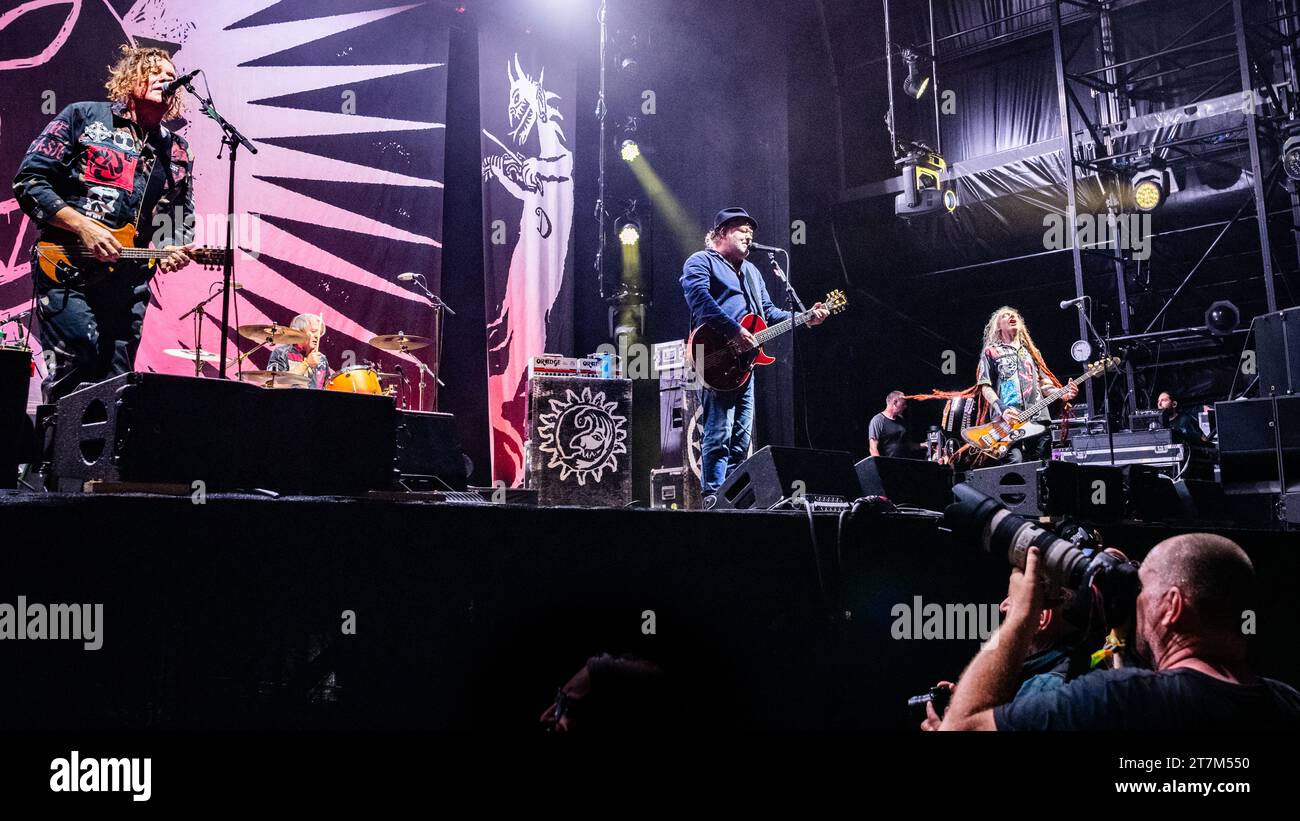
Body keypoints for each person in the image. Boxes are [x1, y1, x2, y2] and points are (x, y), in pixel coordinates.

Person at [939, 533, 1300, 731]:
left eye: (1141, 590)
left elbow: (961, 728)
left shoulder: (1118, 698)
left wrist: (1020, 615)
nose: (1135, 600)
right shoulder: (1286, 701)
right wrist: (1118, 630)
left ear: (1172, 607)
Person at [13, 45, 194, 402]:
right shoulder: (83, 116)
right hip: (66, 266)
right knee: (80, 354)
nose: (166, 79)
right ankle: (50, 455)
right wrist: (82, 226)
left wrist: (173, 245)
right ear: (131, 77)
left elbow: (178, 213)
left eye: (171, 76)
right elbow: (30, 181)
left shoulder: (176, 150)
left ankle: (99, 456)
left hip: (129, 278)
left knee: (117, 379)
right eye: (154, 71)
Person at [680, 207, 829, 494]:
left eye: (752, 232)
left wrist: (805, 316)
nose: (750, 235)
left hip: (745, 366)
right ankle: (712, 498)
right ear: (721, 232)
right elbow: (698, 299)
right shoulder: (701, 261)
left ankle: (734, 497)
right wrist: (733, 330)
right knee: (718, 433)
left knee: (740, 439)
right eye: (742, 230)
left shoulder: (751, 272)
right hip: (715, 356)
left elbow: (769, 313)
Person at [975, 306, 1077, 463]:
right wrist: (1002, 410)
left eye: (1014, 315)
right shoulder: (991, 352)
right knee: (1014, 463)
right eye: (1005, 316)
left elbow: (1044, 384)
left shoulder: (1032, 352)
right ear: (998, 326)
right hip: (1007, 421)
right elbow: (985, 387)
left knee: (1043, 465)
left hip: (1038, 417)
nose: (1012, 316)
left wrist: (1062, 393)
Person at [267, 313, 330, 388]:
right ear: (298, 332)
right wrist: (306, 364)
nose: (317, 336)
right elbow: (275, 384)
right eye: (313, 331)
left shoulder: (322, 359)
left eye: (319, 333)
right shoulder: (281, 353)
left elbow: (327, 387)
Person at [869, 391, 921, 458]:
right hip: (888, 465)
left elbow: (907, 446)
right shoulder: (878, 420)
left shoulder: (902, 420)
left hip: (904, 464)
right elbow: (873, 449)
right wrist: (880, 465)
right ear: (895, 402)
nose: (905, 406)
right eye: (903, 403)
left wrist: (924, 445)